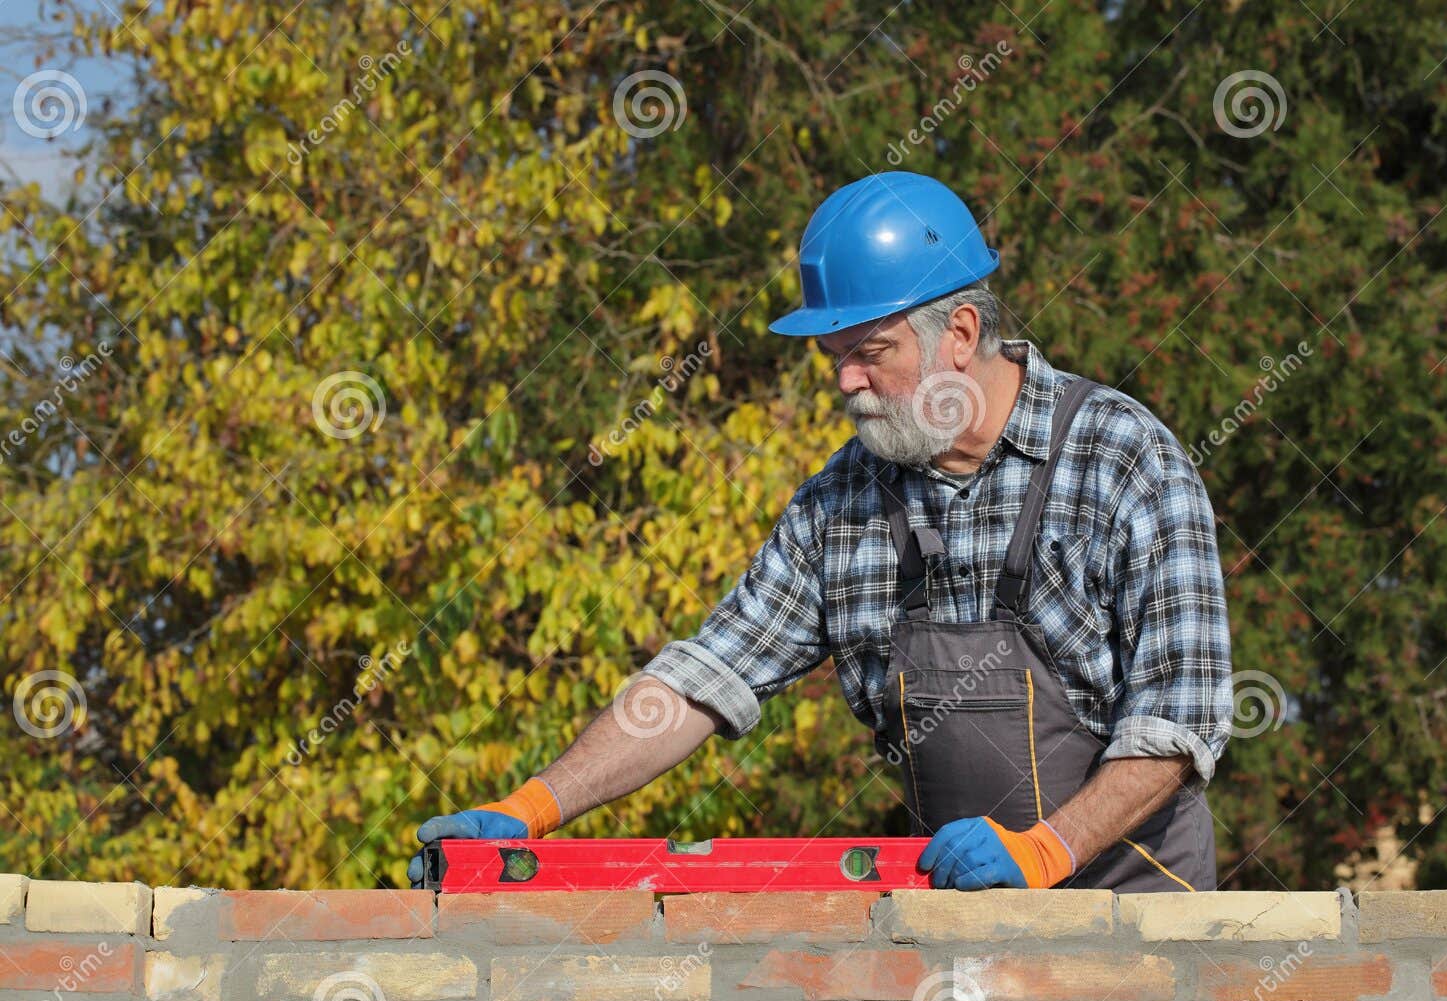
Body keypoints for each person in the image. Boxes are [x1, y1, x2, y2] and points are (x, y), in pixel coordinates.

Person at [408, 171, 1233, 892]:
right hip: (963, 930)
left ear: (962, 334)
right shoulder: (843, 500)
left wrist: (1048, 851)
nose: (845, 380)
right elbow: (706, 676)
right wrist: (532, 805)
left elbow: (1178, 720)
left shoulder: (1124, 460)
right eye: (833, 355)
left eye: (869, 350)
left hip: (1137, 926)